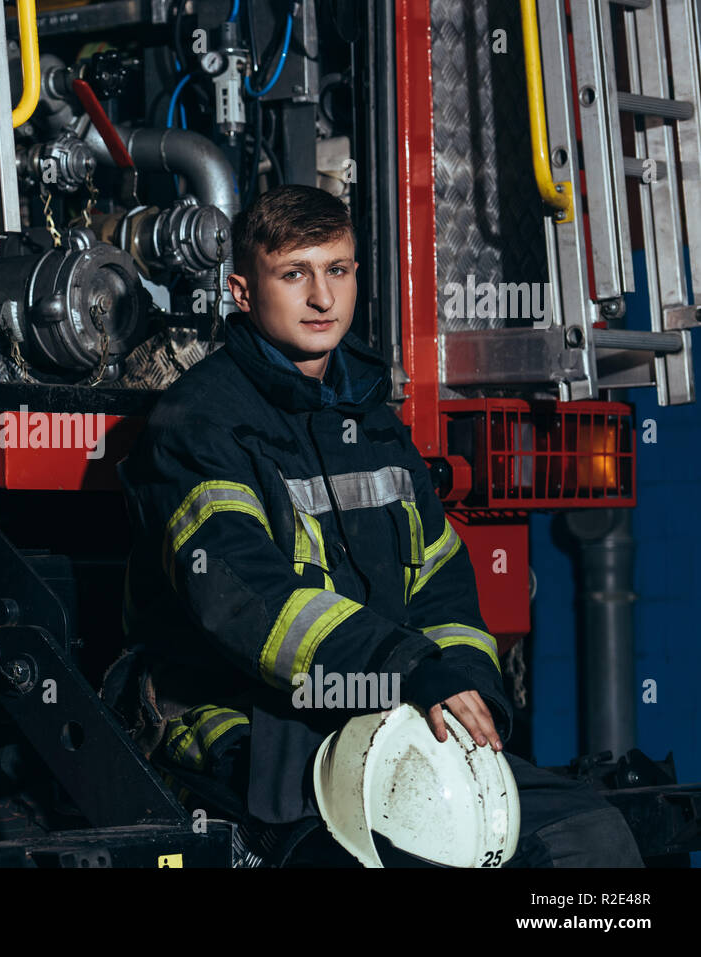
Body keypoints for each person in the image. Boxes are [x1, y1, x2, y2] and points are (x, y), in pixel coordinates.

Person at [109, 184, 642, 867]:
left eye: (337, 269)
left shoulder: (370, 417)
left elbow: (442, 578)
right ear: (242, 290)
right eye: (294, 273)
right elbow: (246, 596)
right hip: (257, 728)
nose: (322, 298)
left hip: (391, 714)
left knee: (588, 836)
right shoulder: (199, 422)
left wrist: (465, 690)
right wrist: (407, 672)